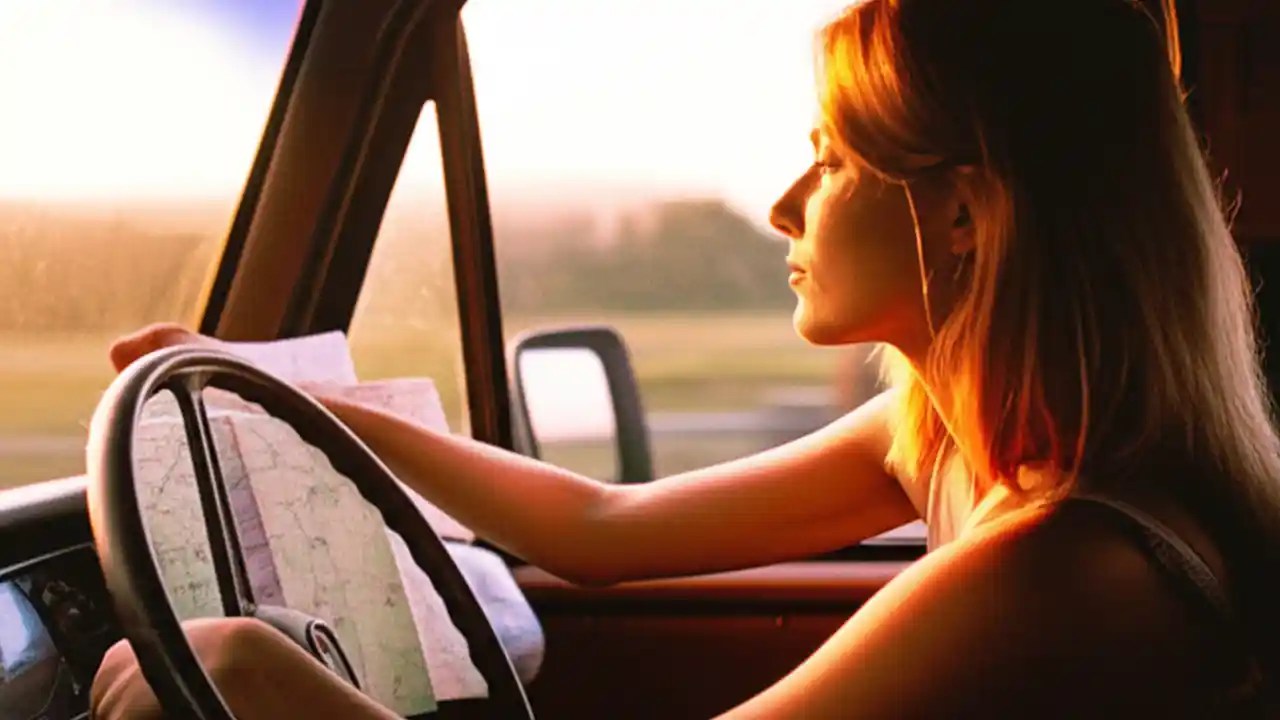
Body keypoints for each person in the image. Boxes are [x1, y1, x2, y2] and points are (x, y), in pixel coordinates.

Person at [91, 0, 1280, 716]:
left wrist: (255, 675)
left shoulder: (1067, 567)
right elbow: (599, 530)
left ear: (963, 217)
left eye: (831, 158)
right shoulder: (939, 433)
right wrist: (305, 404)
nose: (782, 205)